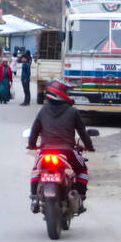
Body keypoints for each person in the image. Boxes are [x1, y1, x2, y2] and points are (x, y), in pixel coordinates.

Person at [27, 79, 95, 211]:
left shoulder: (43, 111)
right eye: (65, 92)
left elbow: (34, 131)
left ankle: (34, 197)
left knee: (36, 170)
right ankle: (80, 196)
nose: (68, 95)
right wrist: (89, 146)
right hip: (68, 152)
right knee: (82, 170)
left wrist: (32, 145)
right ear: (60, 93)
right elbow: (83, 133)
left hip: (45, 151)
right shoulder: (73, 111)